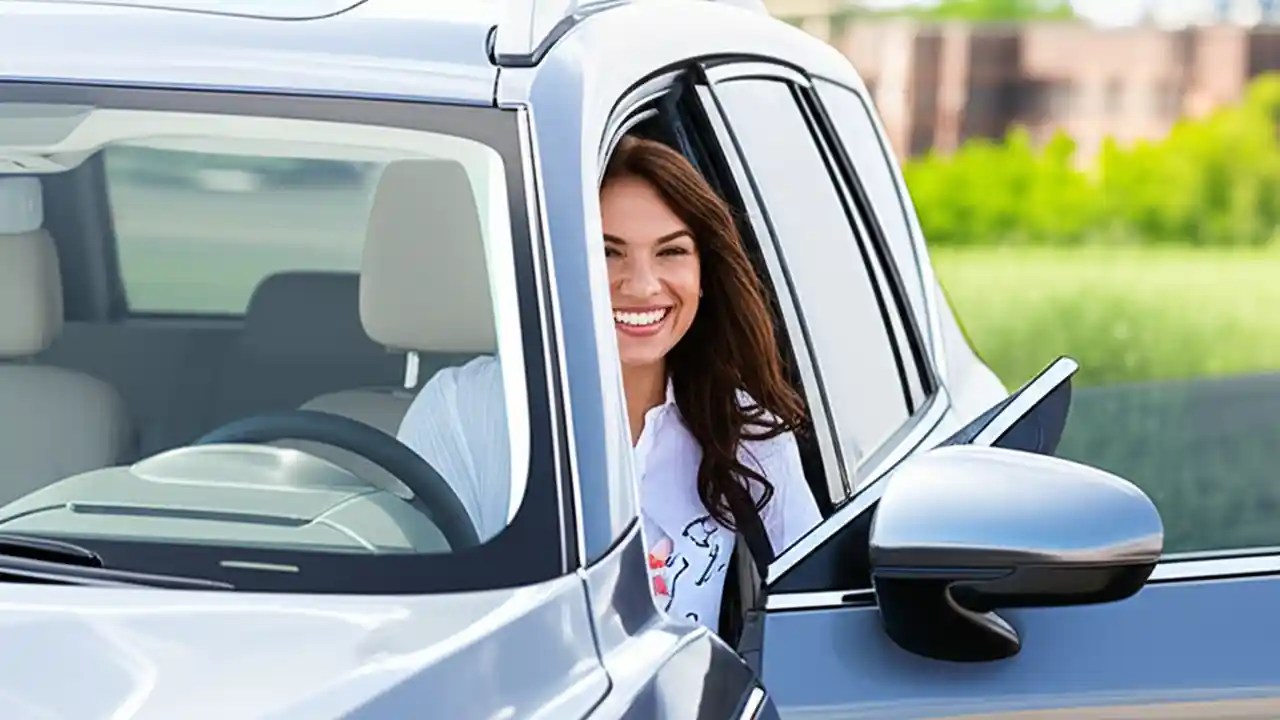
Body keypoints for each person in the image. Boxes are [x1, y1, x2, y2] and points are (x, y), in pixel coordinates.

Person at [397, 135, 821, 634]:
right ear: (555, 262)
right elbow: (411, 616)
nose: (641, 285)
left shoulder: (749, 435)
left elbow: (808, 624)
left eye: (671, 252)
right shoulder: (461, 412)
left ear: (704, 274)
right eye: (607, 251)